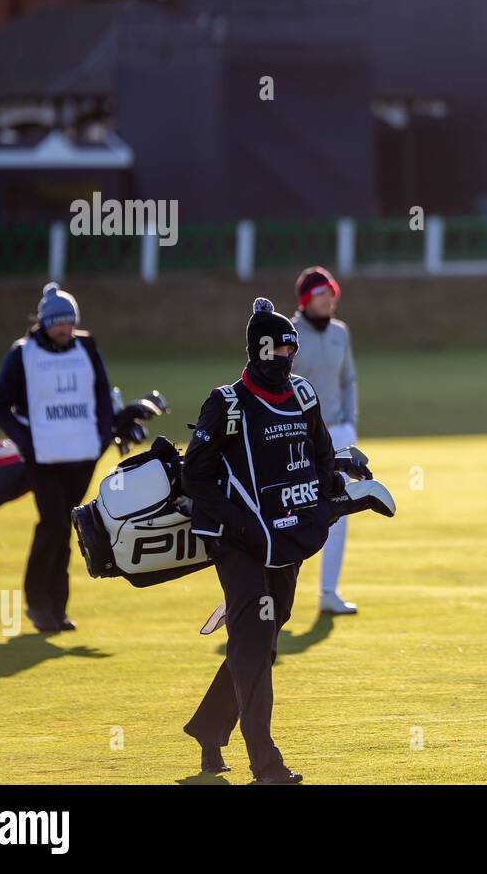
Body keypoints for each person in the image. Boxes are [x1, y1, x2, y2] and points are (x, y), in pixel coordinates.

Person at [180, 297, 338, 784]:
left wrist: (331, 500)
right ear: (258, 351)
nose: (287, 360)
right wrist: (239, 524)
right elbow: (195, 475)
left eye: (291, 352)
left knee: (264, 640)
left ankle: (208, 729)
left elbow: (322, 458)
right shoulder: (225, 404)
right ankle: (265, 763)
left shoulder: (305, 396)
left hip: (285, 539)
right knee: (252, 644)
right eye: (279, 351)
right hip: (238, 545)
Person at [0, 283, 113, 634]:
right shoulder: (22, 353)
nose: (65, 329)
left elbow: (102, 393)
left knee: (66, 526)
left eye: (69, 322)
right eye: (58, 322)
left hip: (82, 455)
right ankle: (38, 603)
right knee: (53, 524)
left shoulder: (85, 346)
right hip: (42, 460)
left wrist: (102, 435)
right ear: (44, 323)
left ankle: (57, 608)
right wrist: (28, 442)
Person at [290, 266, 360, 615]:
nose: (329, 299)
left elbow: (349, 379)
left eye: (331, 292)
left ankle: (328, 592)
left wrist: (350, 422)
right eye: (321, 294)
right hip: (298, 437)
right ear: (306, 299)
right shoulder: (289, 334)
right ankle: (267, 591)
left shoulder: (340, 333)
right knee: (289, 513)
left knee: (339, 511)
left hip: (337, 431)